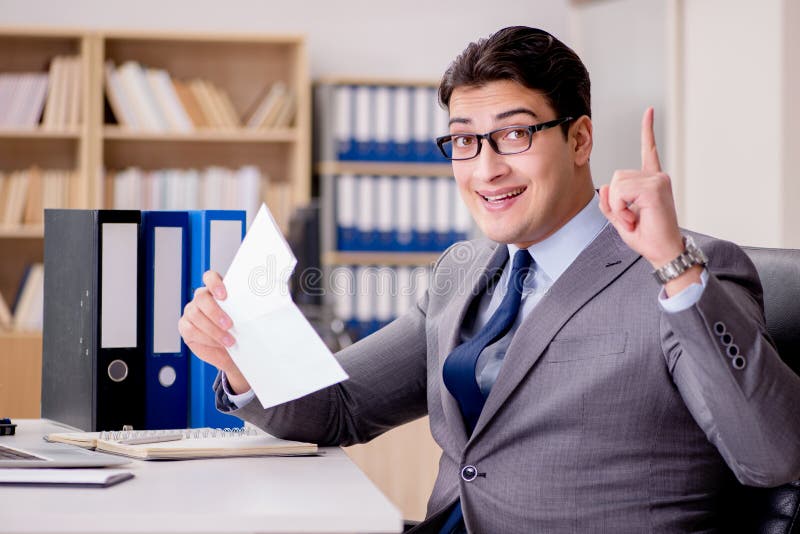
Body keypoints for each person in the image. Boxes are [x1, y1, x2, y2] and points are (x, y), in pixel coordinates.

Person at [179, 26, 800, 533]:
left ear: (580, 138)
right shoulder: (464, 270)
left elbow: (772, 457)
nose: (487, 169)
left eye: (513, 134)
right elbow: (340, 407)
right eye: (464, 142)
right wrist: (241, 358)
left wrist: (674, 266)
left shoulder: (691, 269)